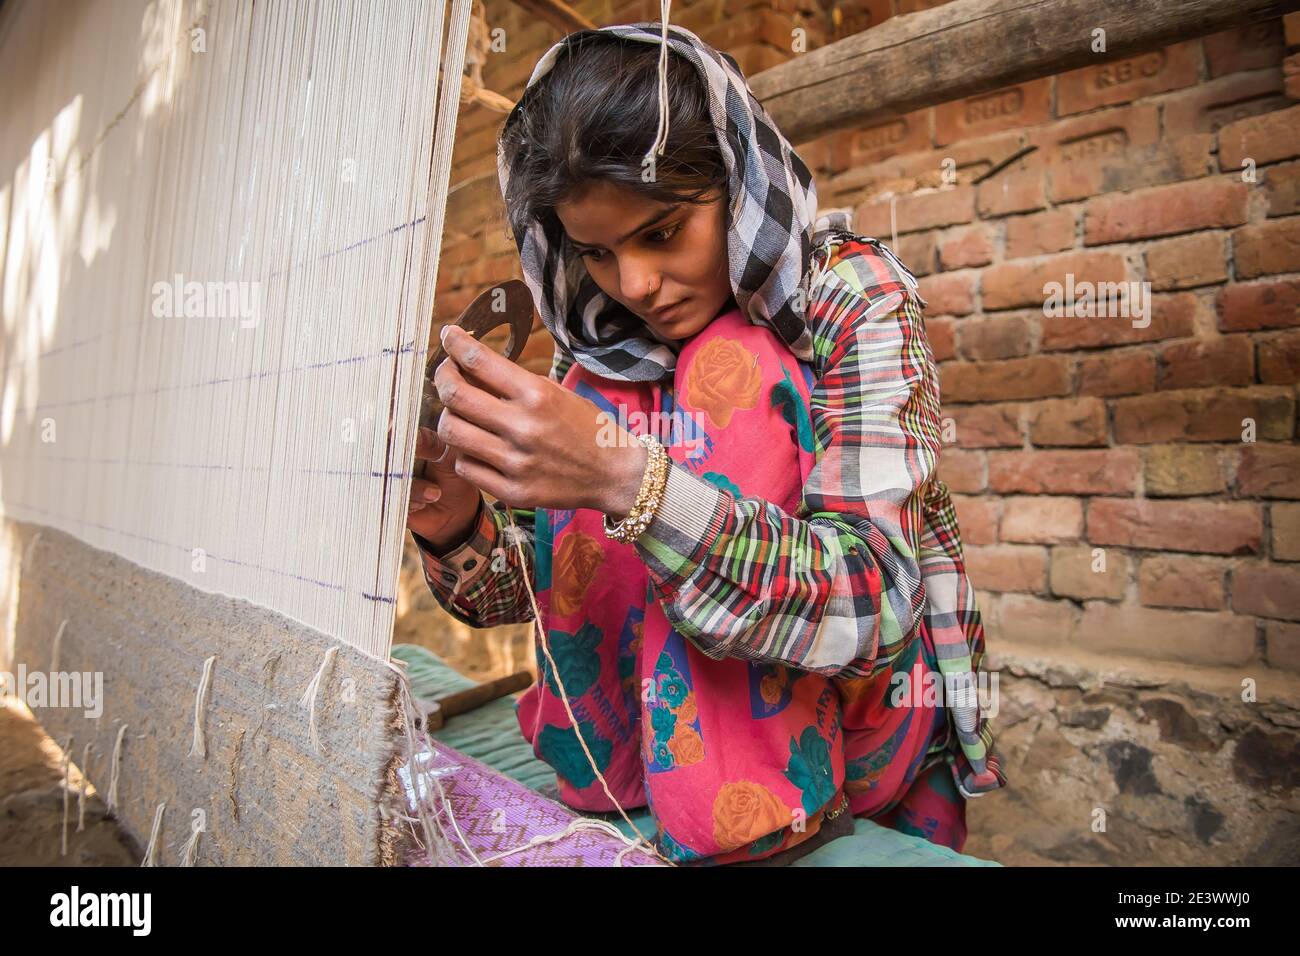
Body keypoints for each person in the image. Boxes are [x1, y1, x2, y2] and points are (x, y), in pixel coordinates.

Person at [407, 21, 1006, 866]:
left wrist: (630, 481)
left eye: (661, 233)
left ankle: (757, 799)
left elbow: (871, 604)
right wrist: (456, 524)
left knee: (732, 361)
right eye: (598, 254)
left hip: (862, 735)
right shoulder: (603, 355)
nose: (636, 285)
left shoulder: (853, 304)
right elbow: (556, 599)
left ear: (737, 180)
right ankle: (675, 781)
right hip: (641, 774)